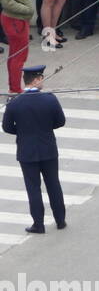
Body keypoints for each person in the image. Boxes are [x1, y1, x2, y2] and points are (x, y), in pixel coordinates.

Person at [2, 64, 66, 233]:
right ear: (36, 80)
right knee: (53, 184)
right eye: (41, 78)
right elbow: (60, 122)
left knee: (33, 188)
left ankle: (38, 224)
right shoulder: (50, 99)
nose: (43, 80)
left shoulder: (15, 103)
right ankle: (60, 220)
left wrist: (22, 132)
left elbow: (7, 127)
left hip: (26, 151)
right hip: (48, 149)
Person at [0, 0, 35, 96]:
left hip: (16, 19)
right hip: (16, 20)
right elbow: (8, 2)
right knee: (19, 56)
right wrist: (27, 10)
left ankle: (13, 86)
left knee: (15, 54)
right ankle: (15, 89)